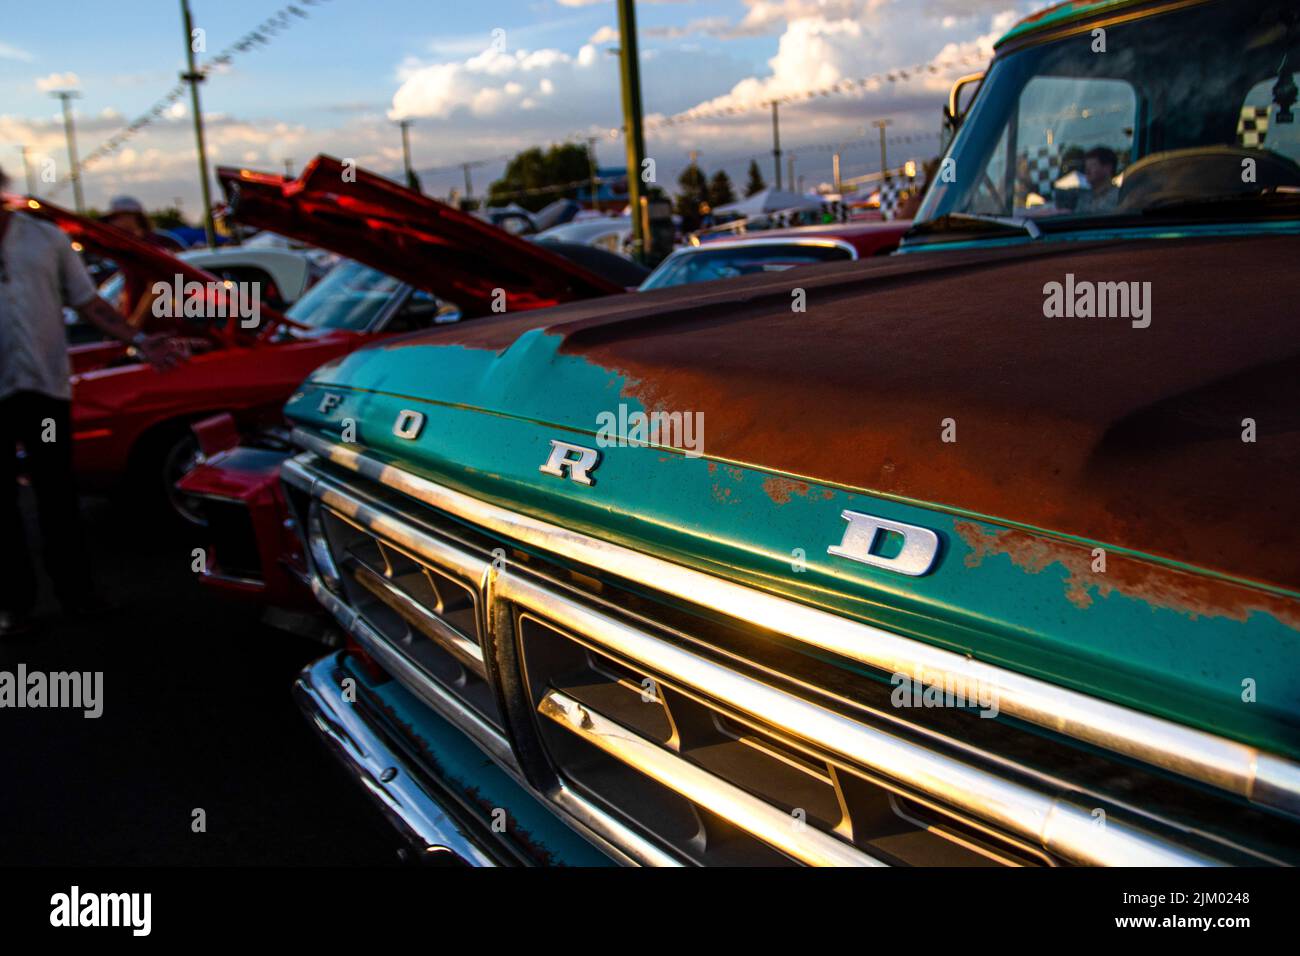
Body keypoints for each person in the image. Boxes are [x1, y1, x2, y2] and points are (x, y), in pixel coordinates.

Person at [0, 167, 178, 638]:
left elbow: (90, 304)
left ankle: (78, 595)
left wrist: (141, 342)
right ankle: (13, 605)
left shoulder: (44, 238)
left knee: (57, 494)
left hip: (44, 390)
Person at [1074, 146, 1120, 214]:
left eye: (1093, 165)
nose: (1087, 171)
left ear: (1108, 168)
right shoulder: (1084, 198)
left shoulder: (1119, 197)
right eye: (1086, 166)